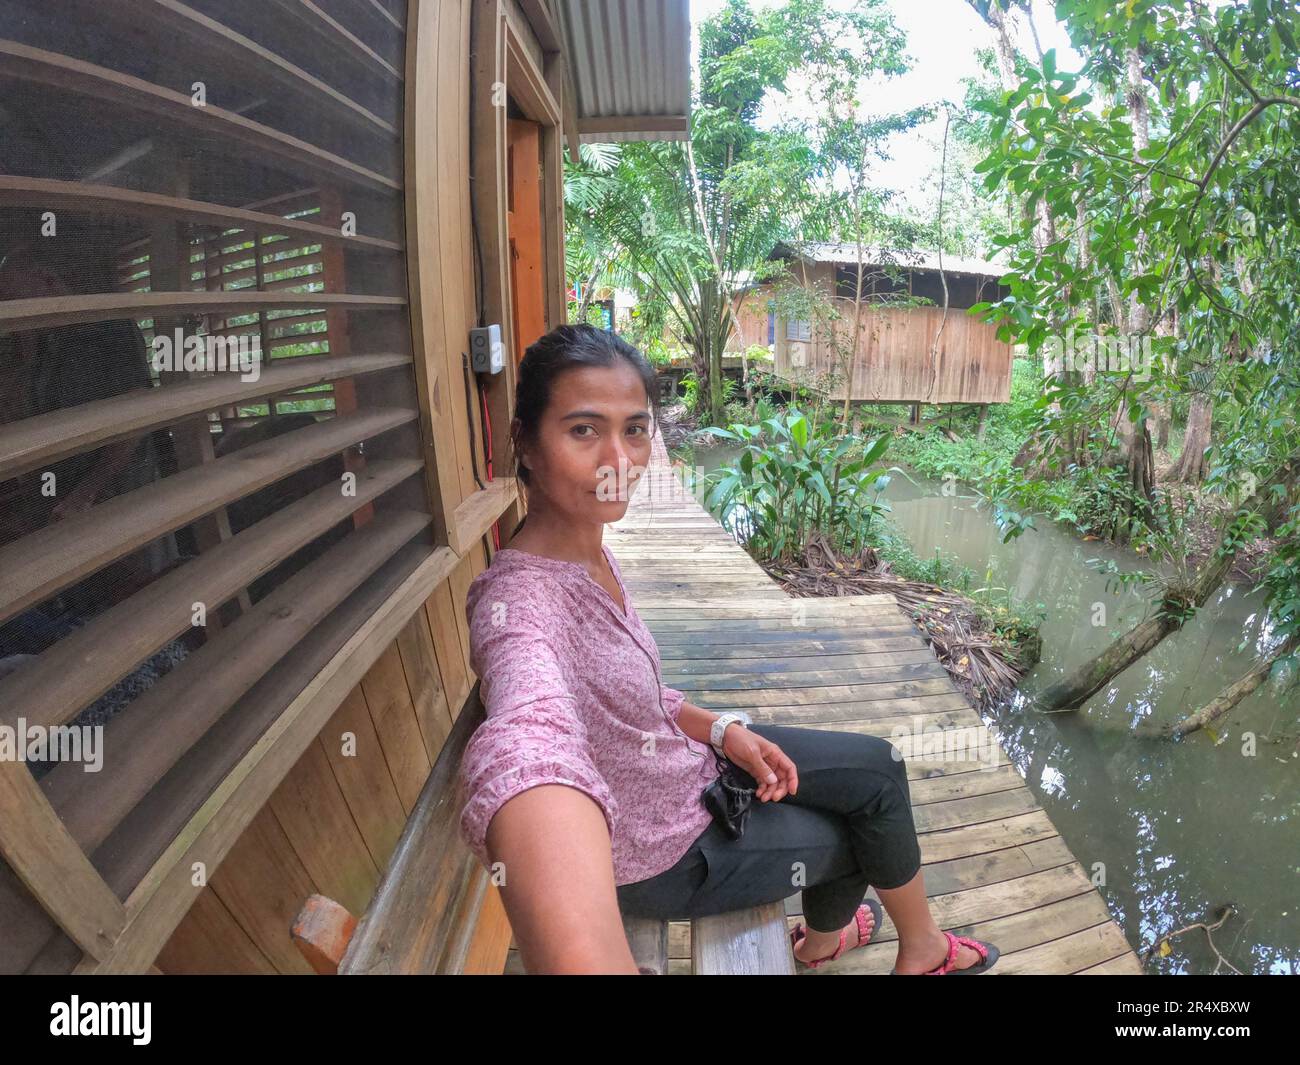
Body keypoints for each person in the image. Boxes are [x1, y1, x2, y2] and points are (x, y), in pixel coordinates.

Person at [457, 323, 1000, 975]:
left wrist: (721, 729)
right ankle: (913, 951)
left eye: (634, 428)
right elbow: (528, 738)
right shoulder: (519, 603)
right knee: (865, 831)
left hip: (691, 767)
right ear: (526, 442)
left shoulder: (584, 545)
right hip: (661, 848)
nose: (617, 457)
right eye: (583, 429)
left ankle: (828, 940)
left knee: (878, 766)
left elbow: (633, 697)